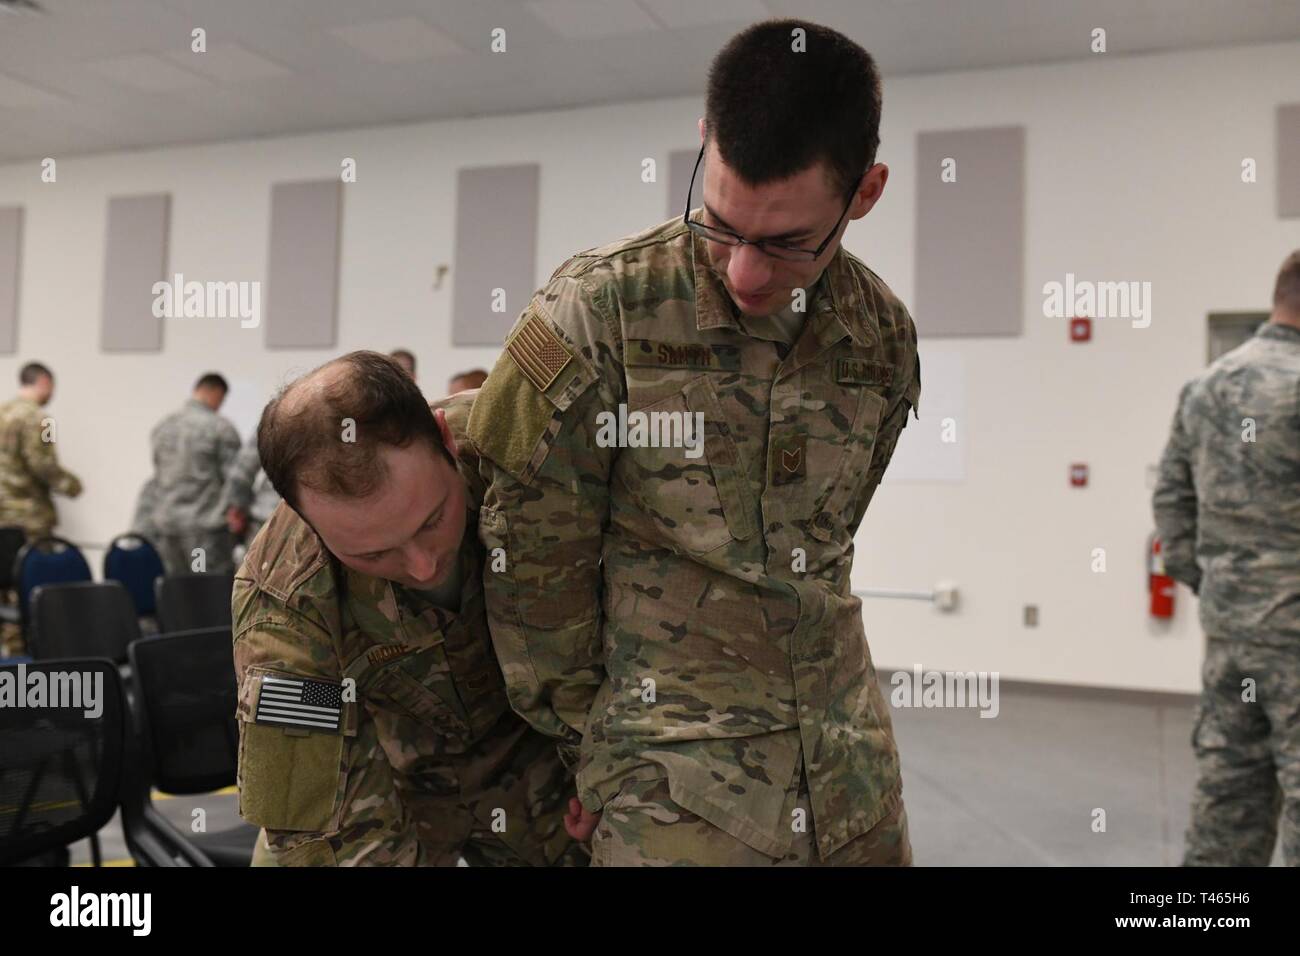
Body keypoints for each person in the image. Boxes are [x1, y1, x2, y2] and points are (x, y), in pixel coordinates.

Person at [465, 18, 920, 866]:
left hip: (848, 765)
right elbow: (526, 567)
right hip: (670, 781)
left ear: (865, 192)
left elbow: (834, 540)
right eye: (719, 223)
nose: (746, 272)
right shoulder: (598, 312)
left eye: (787, 242)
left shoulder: (881, 334)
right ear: (704, 141)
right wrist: (595, 753)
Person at [233, 351, 583, 866]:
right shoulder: (282, 602)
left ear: (444, 439)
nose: (421, 567)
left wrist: (609, 770)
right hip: (389, 779)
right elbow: (313, 821)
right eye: (372, 553)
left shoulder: (527, 447)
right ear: (308, 522)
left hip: (549, 751)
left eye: (431, 520)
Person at [1154, 249, 1300, 866]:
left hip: (1230, 634)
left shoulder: (1206, 384)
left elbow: (1171, 500)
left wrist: (1215, 584)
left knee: (1228, 797)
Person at [132, 373, 242, 574]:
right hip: (202, 535)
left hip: (168, 530)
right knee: (202, 586)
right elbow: (235, 480)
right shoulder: (220, 428)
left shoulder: (164, 426)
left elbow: (158, 473)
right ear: (217, 393)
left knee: (176, 591)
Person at [0, 362, 83, 540]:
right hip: (27, 516)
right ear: (44, 382)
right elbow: (44, 464)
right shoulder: (45, 422)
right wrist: (71, 486)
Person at [221, 437, 281, 547]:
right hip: (312, 523)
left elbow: (242, 470)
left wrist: (237, 508)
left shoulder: (278, 422)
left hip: (267, 519)